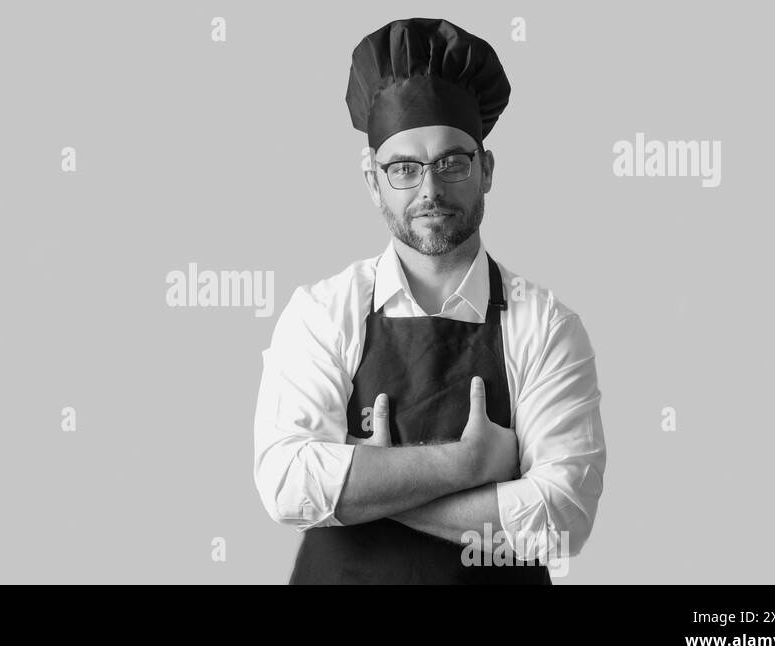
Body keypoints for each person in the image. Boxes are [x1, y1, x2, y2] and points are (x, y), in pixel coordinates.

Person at [252, 18, 607, 584]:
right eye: (404, 168)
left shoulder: (545, 326)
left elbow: (561, 519)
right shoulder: (322, 313)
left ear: (485, 169)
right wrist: (467, 465)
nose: (429, 189)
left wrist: (369, 485)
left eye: (452, 162)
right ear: (373, 180)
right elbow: (288, 484)